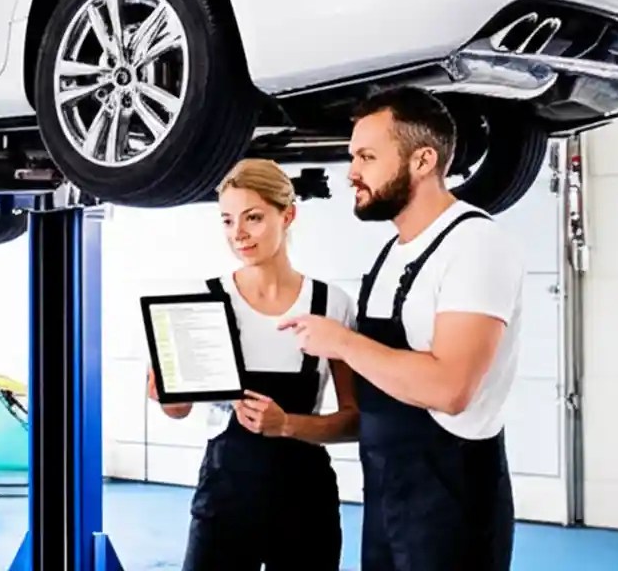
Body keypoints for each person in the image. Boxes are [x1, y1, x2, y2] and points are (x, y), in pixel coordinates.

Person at [279, 87, 524, 571]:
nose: (352, 172)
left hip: (453, 508)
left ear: (423, 160)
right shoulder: (393, 252)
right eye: (352, 157)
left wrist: (343, 342)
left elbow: (450, 387)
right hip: (387, 498)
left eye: (367, 157)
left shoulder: (476, 243)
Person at [146, 158, 360, 571]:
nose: (238, 234)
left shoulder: (331, 304)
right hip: (226, 496)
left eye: (253, 218)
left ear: (288, 214)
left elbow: (355, 421)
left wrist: (286, 425)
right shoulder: (203, 300)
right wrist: (163, 393)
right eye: (226, 221)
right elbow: (178, 410)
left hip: (305, 502)